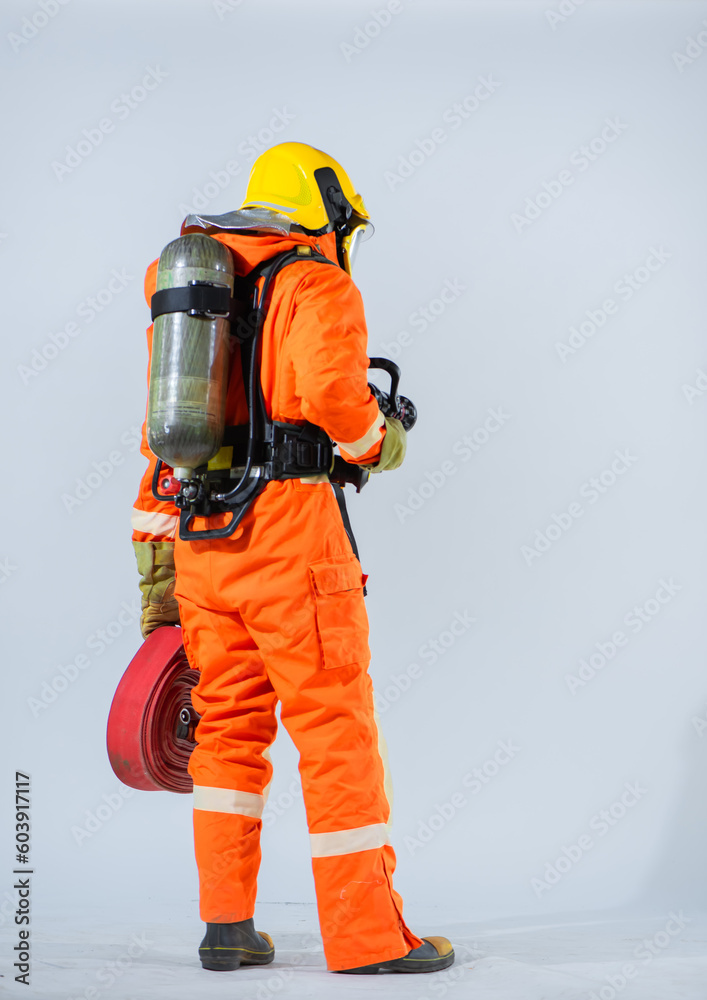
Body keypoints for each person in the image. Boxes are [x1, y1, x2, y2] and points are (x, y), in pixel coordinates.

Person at [131, 141, 455, 975]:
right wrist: (381, 441)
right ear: (325, 215)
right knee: (334, 732)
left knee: (228, 736)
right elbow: (332, 399)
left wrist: (157, 581)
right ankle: (369, 940)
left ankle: (226, 929)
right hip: (291, 545)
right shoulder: (317, 284)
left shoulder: (189, 296)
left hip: (203, 546)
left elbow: (159, 448)